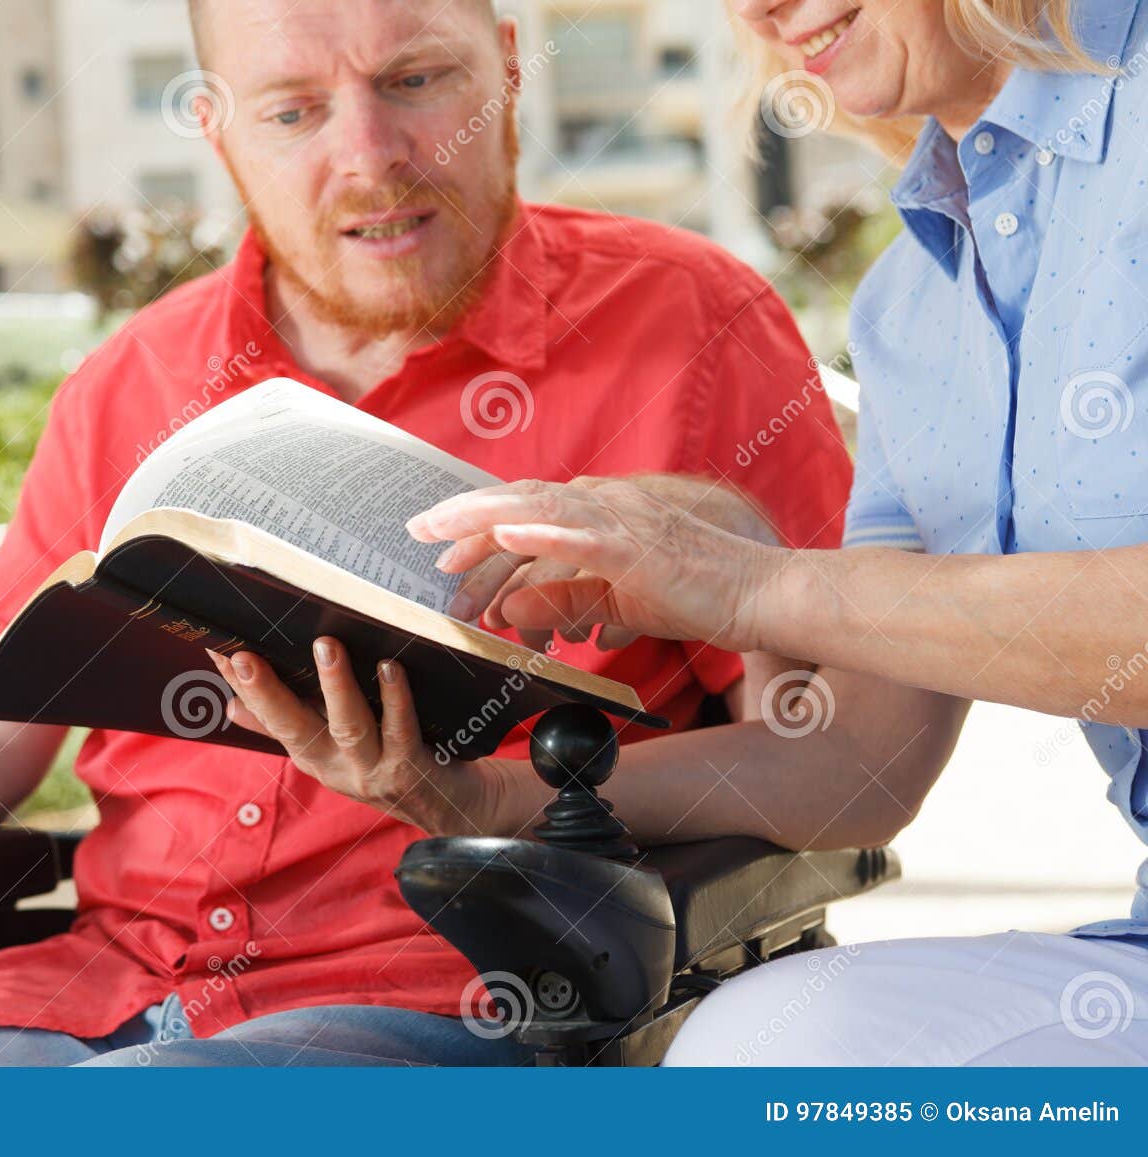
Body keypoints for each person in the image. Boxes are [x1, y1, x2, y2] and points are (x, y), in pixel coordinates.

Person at [0, 0, 856, 1066]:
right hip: (76, 993)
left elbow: (828, 756)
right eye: (293, 108)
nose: (370, 155)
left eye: (416, 81)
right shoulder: (126, 382)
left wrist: (487, 792)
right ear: (216, 124)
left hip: (434, 1004)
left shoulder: (694, 325)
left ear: (505, 71)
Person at [358, 0, 1148, 1065]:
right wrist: (489, 791)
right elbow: (859, 763)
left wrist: (751, 583)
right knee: (768, 1044)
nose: (759, 10)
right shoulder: (913, 306)